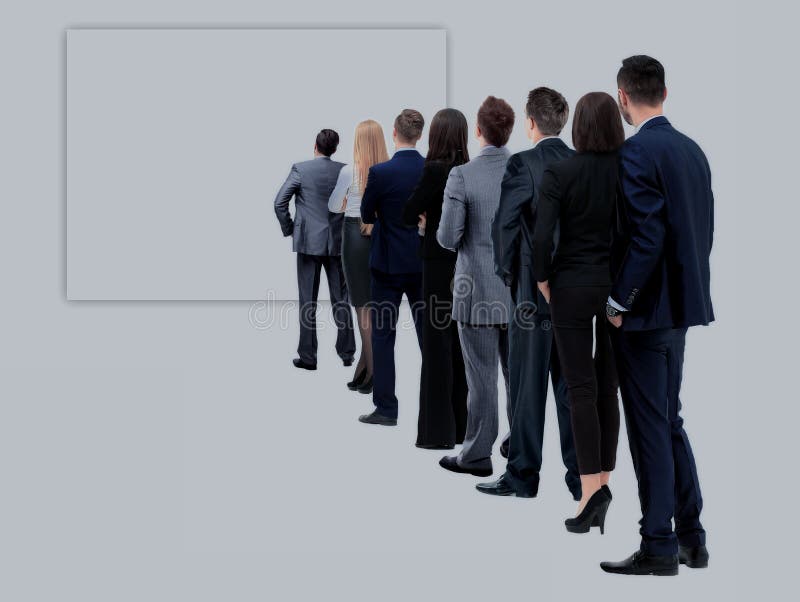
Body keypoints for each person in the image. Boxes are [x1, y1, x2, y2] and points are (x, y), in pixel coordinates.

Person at [600, 56, 713, 577]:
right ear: (663, 92)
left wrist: (620, 301)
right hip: (681, 311)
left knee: (650, 429)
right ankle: (692, 538)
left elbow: (648, 236)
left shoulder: (636, 152)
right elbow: (700, 233)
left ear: (624, 96)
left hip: (644, 317)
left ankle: (658, 545)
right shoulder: (692, 150)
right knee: (669, 422)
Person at [479, 87, 580, 500]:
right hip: (575, 293)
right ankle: (582, 480)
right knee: (573, 388)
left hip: (530, 293)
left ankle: (522, 476)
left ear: (532, 123)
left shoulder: (524, 163)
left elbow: (504, 225)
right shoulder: (582, 163)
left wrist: (509, 275)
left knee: (525, 385)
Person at [532, 92, 623, 533]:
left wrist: (543, 278)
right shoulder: (627, 169)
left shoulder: (560, 171)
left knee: (578, 389)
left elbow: (542, 235)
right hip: (614, 288)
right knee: (608, 386)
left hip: (568, 286)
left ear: (578, 127)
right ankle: (604, 478)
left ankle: (590, 492)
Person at [437, 96, 514, 477]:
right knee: (517, 376)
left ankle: (476, 455)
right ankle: (519, 446)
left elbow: (448, 237)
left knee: (481, 377)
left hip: (476, 292)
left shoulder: (462, 175)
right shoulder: (525, 170)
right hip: (519, 294)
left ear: (479, 131)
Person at [402, 108, 470, 450]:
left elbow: (406, 211)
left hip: (437, 265)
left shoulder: (434, 171)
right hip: (466, 264)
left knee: (436, 347)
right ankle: (461, 428)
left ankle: (437, 433)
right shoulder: (470, 170)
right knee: (461, 347)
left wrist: (427, 222)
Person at [357, 110, 426, 426]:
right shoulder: (431, 169)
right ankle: (437, 410)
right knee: (431, 336)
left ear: (395, 134)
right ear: (419, 135)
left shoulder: (381, 172)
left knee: (383, 336)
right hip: (422, 262)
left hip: (386, 263)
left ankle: (386, 409)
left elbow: (367, 214)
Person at [274, 129, 355, 370]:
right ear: (335, 148)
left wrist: (291, 229)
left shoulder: (300, 169)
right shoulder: (345, 170)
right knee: (341, 300)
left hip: (308, 243)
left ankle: (308, 357)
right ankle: (347, 353)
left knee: (307, 301)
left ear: (315, 146)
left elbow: (279, 203)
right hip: (338, 243)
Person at [329, 120, 390, 394]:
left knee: (362, 306)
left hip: (354, 235)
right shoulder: (386, 170)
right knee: (374, 305)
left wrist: (345, 202)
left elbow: (333, 205)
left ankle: (373, 370)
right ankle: (365, 367)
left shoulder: (349, 171)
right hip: (379, 236)